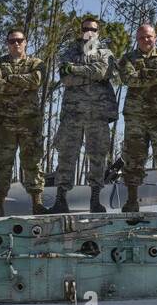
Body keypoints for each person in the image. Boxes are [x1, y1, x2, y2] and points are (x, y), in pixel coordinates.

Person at [50, 16, 118, 214]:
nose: (89, 31)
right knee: (66, 156)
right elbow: (66, 78)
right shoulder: (69, 52)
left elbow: (102, 71)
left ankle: (95, 200)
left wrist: (75, 69)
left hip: (97, 115)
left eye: (93, 29)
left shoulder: (105, 53)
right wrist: (84, 73)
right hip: (72, 114)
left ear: (98, 32)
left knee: (97, 157)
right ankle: (61, 199)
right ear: (80, 31)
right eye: (86, 28)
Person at [118, 23, 157, 213]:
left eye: (149, 36)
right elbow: (128, 79)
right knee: (133, 158)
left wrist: (142, 74)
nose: (146, 40)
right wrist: (154, 74)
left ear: (156, 37)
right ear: (137, 39)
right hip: (135, 117)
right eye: (143, 37)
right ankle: (131, 200)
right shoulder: (127, 58)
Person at [0, 28, 46, 215]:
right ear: (7, 44)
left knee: (33, 162)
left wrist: (10, 79)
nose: (16, 44)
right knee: (2, 163)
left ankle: (37, 203)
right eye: (12, 41)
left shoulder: (36, 63)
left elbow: (36, 81)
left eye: (19, 40)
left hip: (30, 122)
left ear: (26, 42)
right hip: (5, 123)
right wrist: (22, 83)